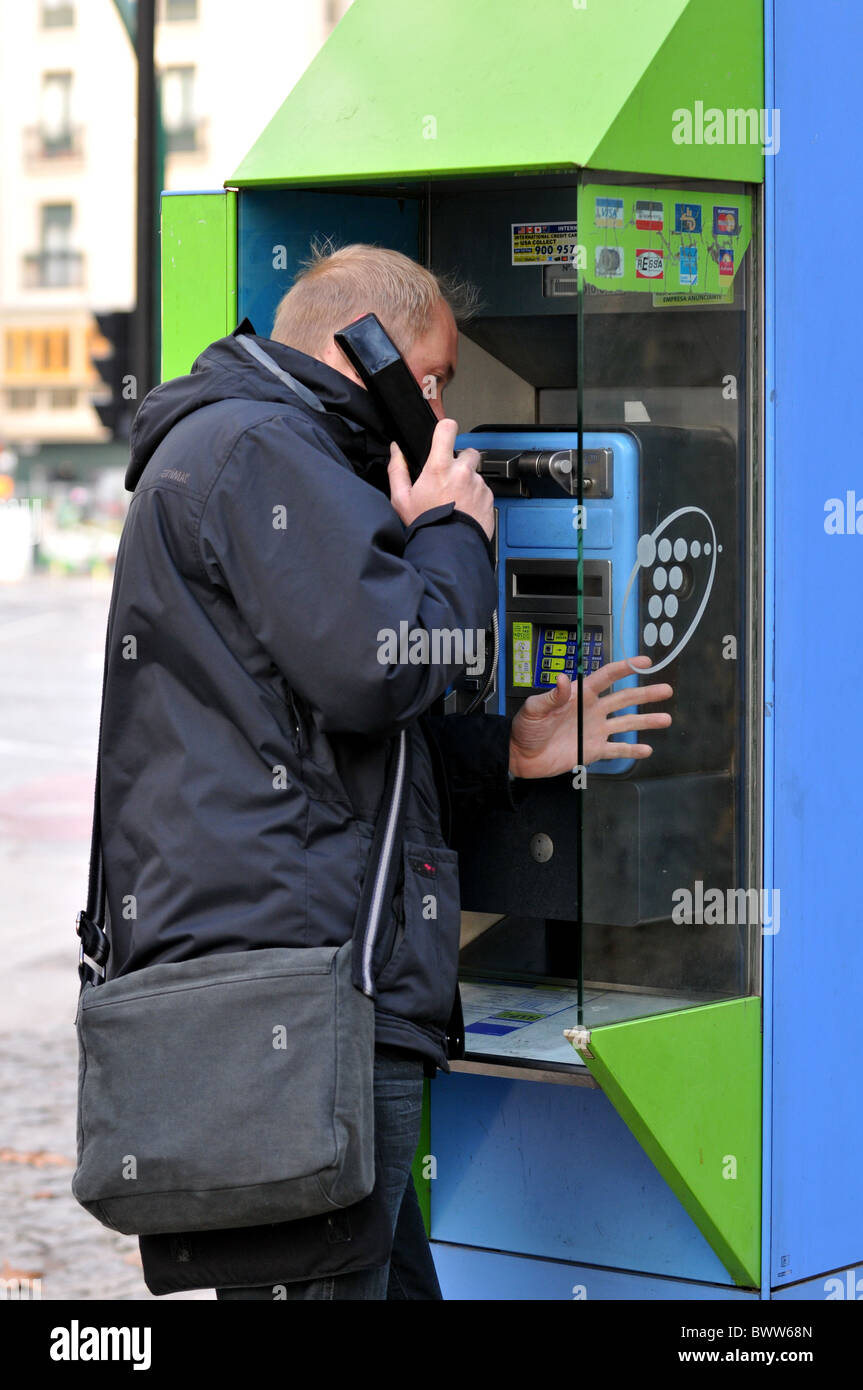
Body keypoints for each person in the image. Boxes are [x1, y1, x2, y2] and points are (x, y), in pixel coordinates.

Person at [97, 244, 672, 1300]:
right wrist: (455, 530)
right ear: (364, 351)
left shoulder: (246, 448)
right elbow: (386, 665)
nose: (442, 412)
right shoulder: (268, 452)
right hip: (299, 1006)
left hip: (297, 991)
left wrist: (507, 745)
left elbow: (315, 740)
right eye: (436, 379)